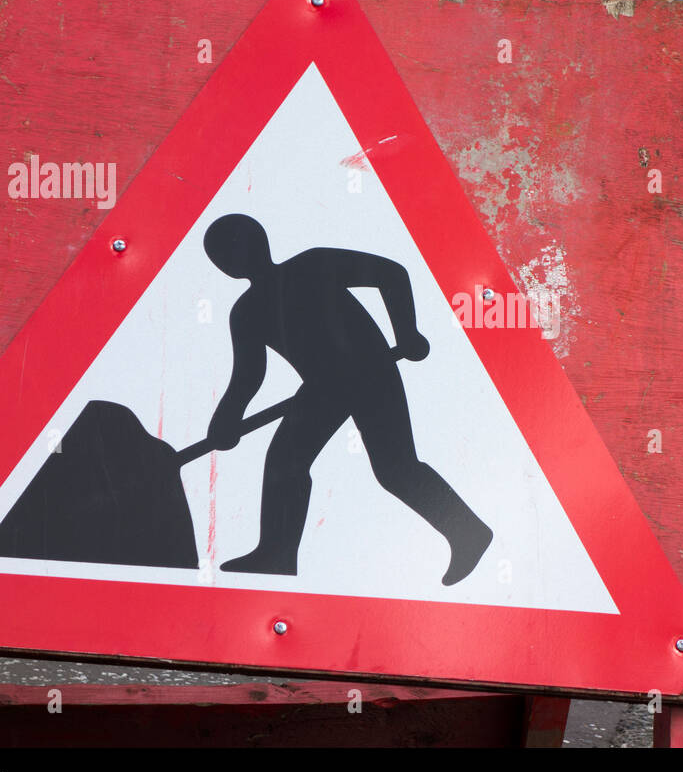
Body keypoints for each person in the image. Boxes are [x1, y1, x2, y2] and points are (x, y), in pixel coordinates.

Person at [203, 214, 493, 586]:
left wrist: (406, 332)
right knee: (284, 462)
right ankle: (276, 553)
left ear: (257, 243)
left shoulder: (312, 264)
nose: (227, 260)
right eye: (219, 256)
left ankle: (468, 531)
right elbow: (248, 375)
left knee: (396, 469)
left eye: (229, 249)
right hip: (323, 388)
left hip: (370, 369)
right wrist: (227, 417)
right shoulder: (246, 312)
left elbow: (390, 273)